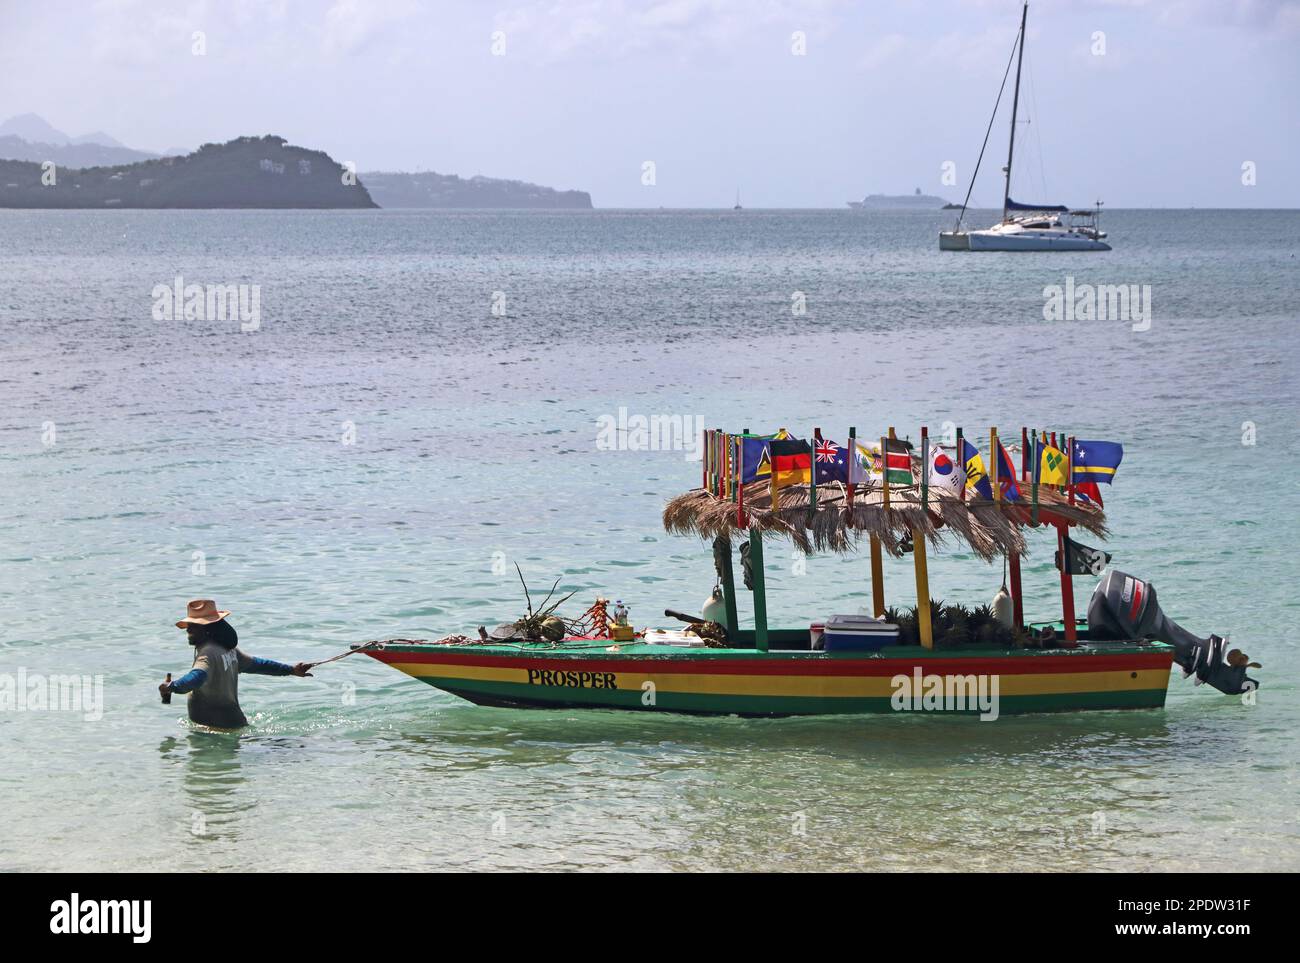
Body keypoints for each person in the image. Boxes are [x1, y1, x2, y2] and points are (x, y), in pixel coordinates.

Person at [160, 599, 312, 729]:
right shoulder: (229, 650)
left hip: (214, 729)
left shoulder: (207, 652)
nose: (189, 630)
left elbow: (198, 676)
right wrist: (291, 670)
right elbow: (257, 664)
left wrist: (172, 686)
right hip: (235, 722)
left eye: (194, 626)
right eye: (189, 625)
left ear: (208, 628)